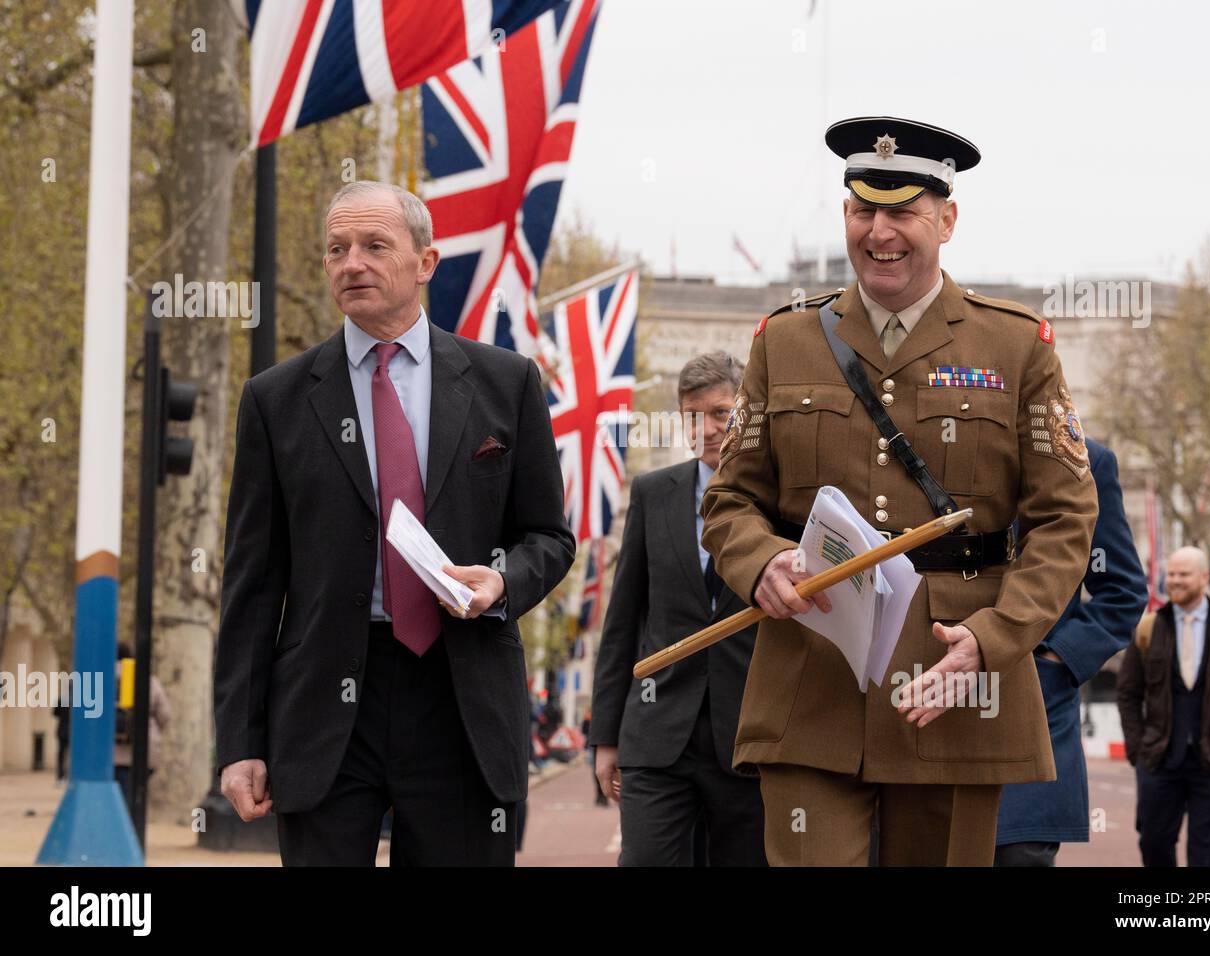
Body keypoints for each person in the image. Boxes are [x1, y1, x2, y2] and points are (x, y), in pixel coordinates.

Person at [701, 116, 1099, 866]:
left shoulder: (1017, 347)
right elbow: (729, 501)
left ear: (947, 219)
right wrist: (761, 563)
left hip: (950, 683)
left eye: (903, 211)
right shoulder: (782, 341)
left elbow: (1066, 517)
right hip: (812, 677)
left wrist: (993, 639)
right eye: (862, 210)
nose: (879, 232)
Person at [214, 181, 575, 866]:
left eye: (375, 246)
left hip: (459, 698)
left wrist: (499, 583)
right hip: (323, 708)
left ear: (426, 262)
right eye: (337, 249)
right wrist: (239, 742)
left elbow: (549, 540)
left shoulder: (508, 384)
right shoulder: (275, 401)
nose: (353, 263)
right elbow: (252, 586)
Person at [591, 352, 767, 866]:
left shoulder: (781, 502)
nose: (706, 429)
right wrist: (605, 737)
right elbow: (622, 621)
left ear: (747, 413)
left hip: (748, 741)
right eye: (692, 416)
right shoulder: (652, 494)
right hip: (657, 735)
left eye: (720, 413)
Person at [994, 437, 1147, 865]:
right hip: (927, 699)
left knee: (1018, 853)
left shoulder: (1085, 460)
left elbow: (1122, 592)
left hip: (1033, 707)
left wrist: (1055, 660)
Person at [1117, 546, 1210, 866]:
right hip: (1159, 760)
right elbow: (1129, 693)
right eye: (1171, 574)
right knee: (1154, 843)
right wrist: (1137, 748)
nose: (1175, 581)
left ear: (1204, 577)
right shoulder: (1148, 629)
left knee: (1206, 854)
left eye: (1183, 574)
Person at [112, 642, 171, 797]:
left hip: (111, 750)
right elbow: (164, 715)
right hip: (145, 746)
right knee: (134, 795)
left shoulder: (101, 677)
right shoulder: (148, 679)